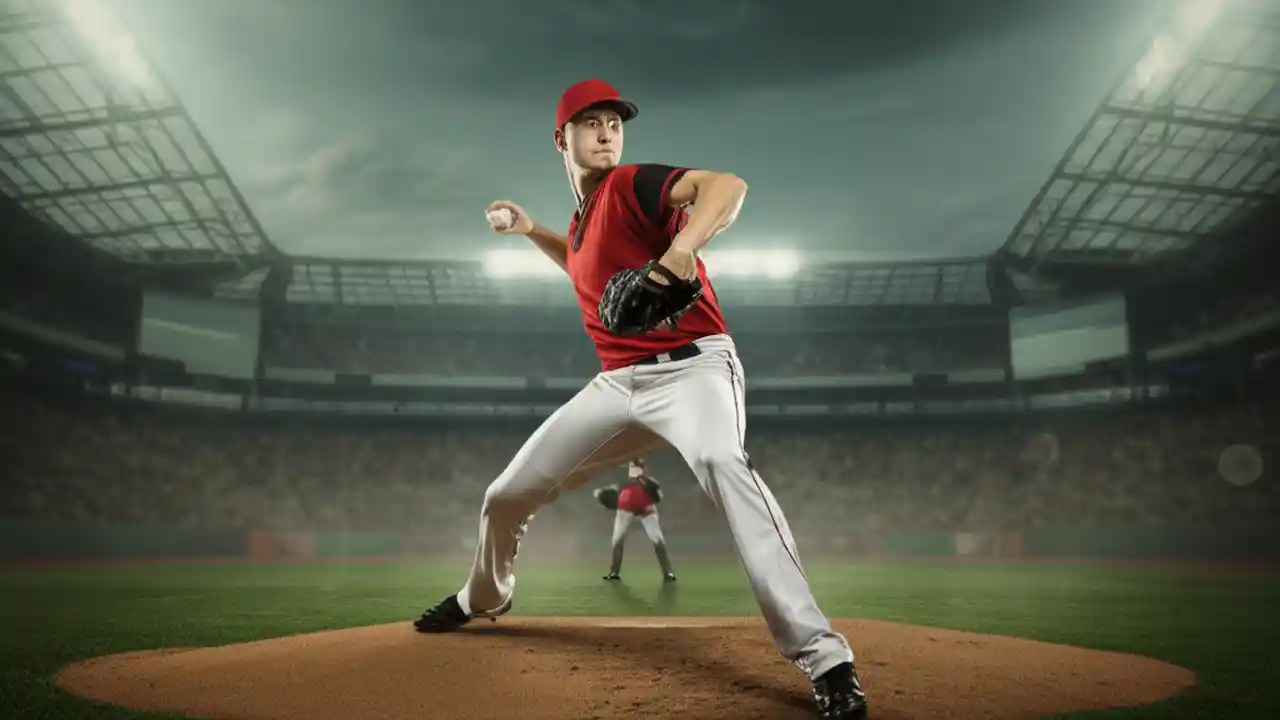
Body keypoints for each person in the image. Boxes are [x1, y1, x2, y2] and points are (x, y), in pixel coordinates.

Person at [412, 78, 868, 720]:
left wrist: (681, 250)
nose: (606, 131)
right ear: (560, 137)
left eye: (614, 122)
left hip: (695, 371)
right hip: (618, 387)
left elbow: (727, 186)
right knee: (504, 497)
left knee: (721, 463)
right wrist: (529, 229)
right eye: (590, 121)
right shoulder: (581, 222)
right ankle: (484, 596)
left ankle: (826, 659)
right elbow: (580, 264)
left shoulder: (629, 185)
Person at [596, 457, 676, 582]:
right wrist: (601, 494)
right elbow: (607, 493)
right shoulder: (624, 484)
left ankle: (668, 572)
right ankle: (614, 572)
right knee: (617, 540)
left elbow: (658, 497)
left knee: (657, 540)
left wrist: (644, 480)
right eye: (632, 467)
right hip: (626, 509)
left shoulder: (649, 483)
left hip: (646, 509)